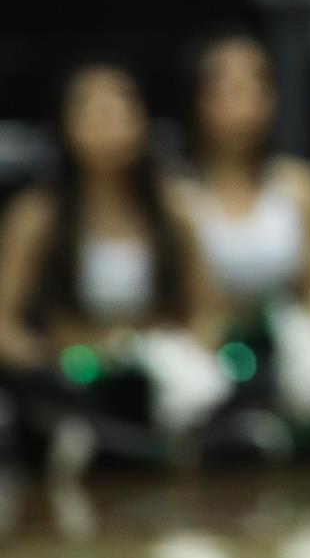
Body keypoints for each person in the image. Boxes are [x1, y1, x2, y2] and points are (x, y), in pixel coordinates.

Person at [0, 66, 226, 472]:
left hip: (161, 385)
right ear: (65, 126)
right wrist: (50, 365)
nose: (108, 126)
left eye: (121, 109)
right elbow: (4, 324)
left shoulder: (177, 210)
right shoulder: (37, 217)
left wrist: (185, 362)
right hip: (74, 385)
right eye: (92, 112)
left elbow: (207, 311)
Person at [182, 36, 310, 426]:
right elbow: (191, 307)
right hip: (209, 351)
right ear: (201, 100)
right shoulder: (179, 199)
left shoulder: (304, 186)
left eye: (259, 86)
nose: (247, 102)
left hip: (293, 346)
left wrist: (298, 346)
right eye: (231, 89)